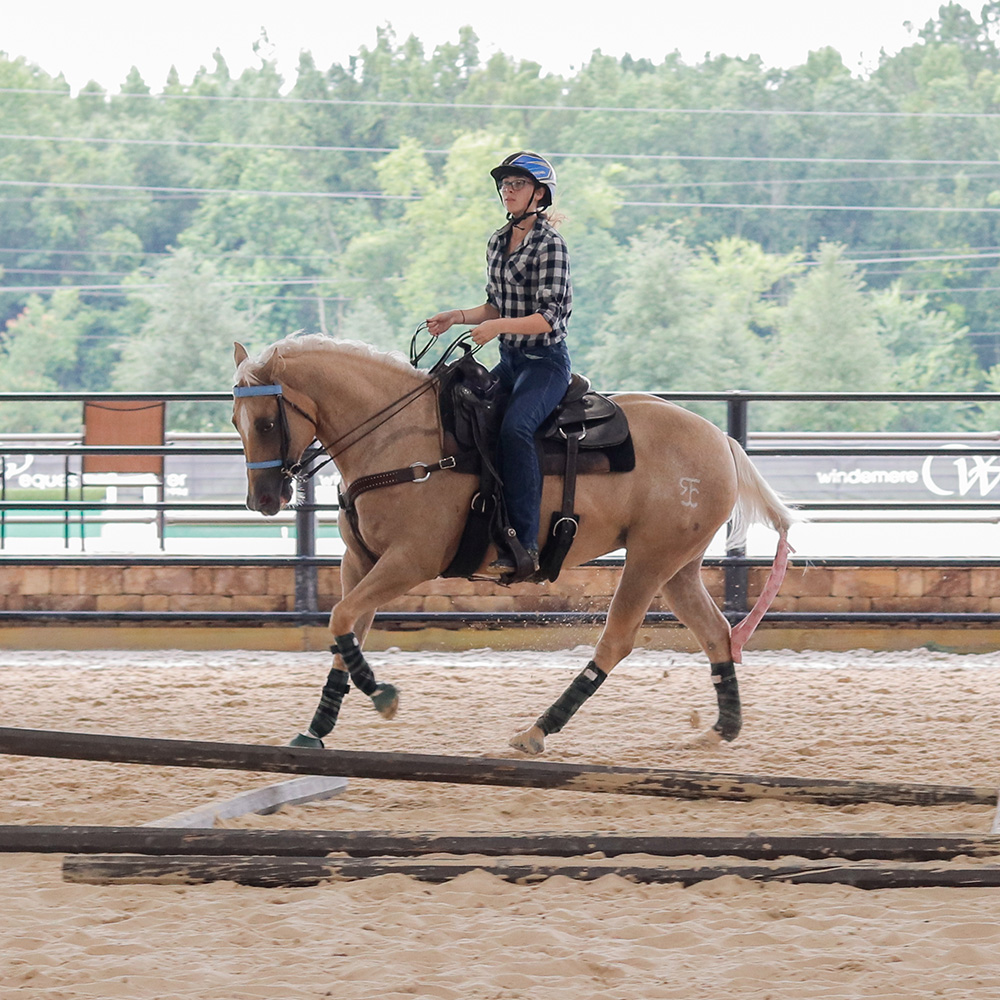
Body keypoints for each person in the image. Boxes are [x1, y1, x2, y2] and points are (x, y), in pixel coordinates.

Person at [427, 151, 573, 574]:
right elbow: (494, 305)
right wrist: (457, 316)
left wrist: (496, 327)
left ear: (539, 194)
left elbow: (548, 316)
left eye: (518, 185)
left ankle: (524, 544)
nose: (508, 191)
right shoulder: (496, 240)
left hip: (545, 364)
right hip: (510, 361)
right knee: (468, 418)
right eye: (505, 185)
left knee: (516, 429)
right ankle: (482, 521)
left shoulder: (551, 246)